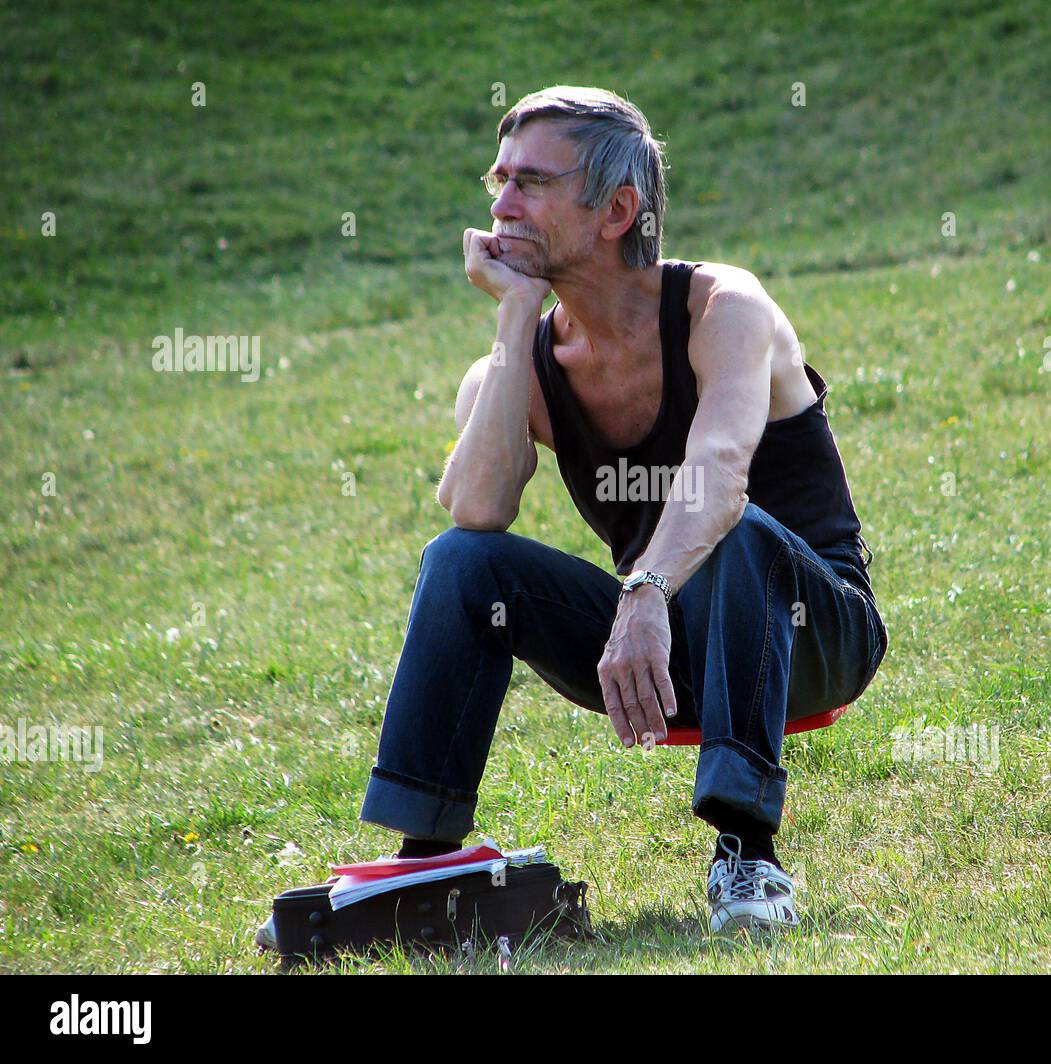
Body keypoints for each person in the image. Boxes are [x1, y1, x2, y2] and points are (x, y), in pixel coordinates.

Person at [261, 86, 886, 948]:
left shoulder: (723, 309)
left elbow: (719, 478)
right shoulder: (522, 362)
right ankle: (429, 861)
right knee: (460, 562)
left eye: (532, 183)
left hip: (813, 632)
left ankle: (749, 853)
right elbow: (478, 512)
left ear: (617, 210)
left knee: (735, 529)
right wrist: (515, 319)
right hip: (663, 651)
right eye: (498, 178)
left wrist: (644, 594)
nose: (500, 203)